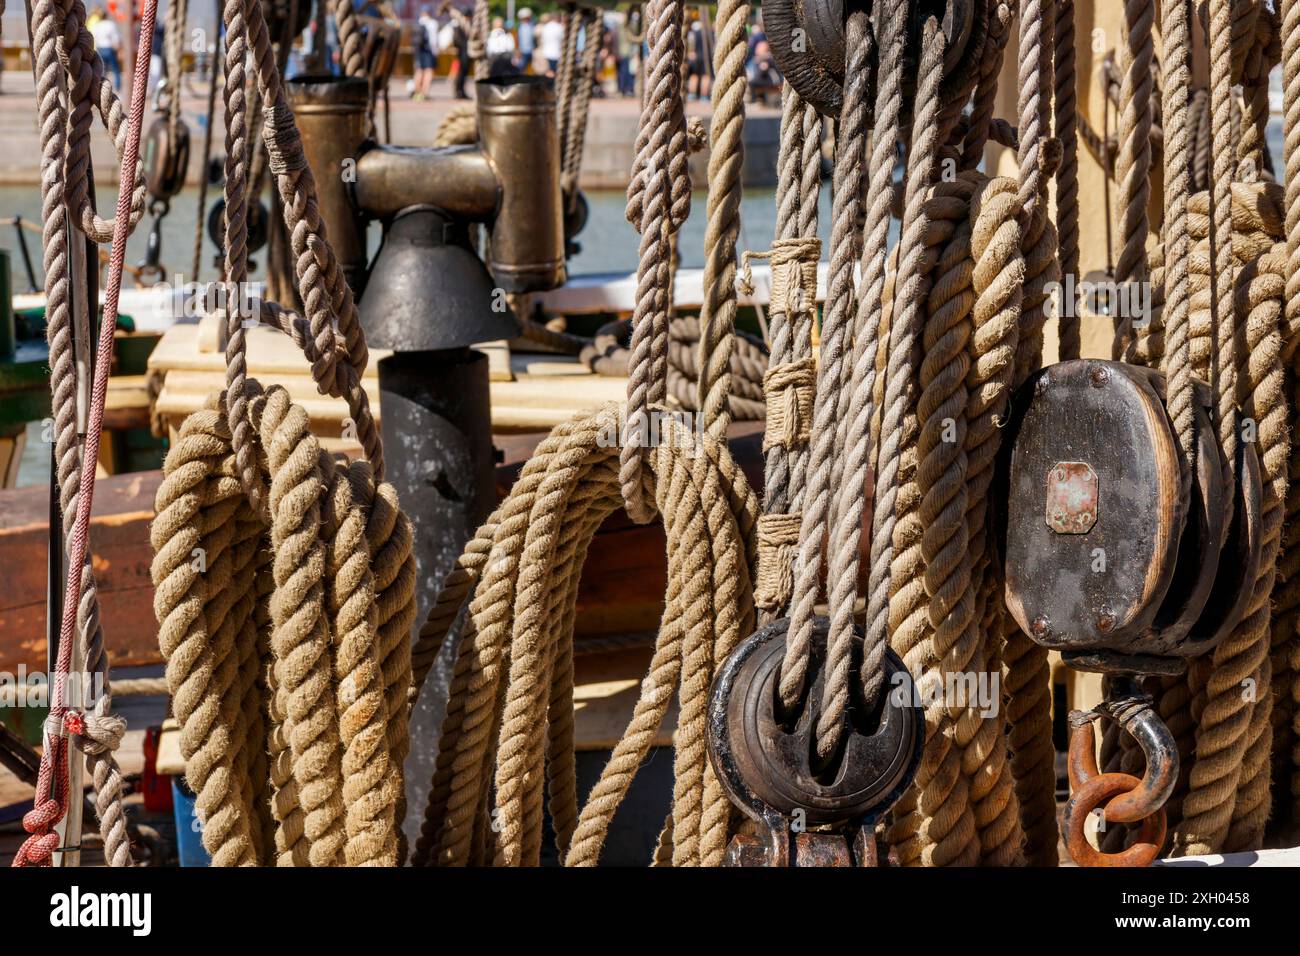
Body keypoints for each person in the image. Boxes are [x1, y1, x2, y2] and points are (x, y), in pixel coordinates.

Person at [90, 6, 122, 90]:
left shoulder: (97, 25)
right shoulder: (111, 25)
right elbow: (116, 39)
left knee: (102, 70)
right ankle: (118, 87)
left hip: (100, 49)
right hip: (110, 49)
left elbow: (94, 37)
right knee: (116, 69)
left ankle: (102, 86)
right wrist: (119, 50)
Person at [413, 7, 438, 98]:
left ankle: (416, 92)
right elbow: (433, 40)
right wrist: (435, 52)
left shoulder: (417, 23)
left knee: (419, 70)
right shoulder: (432, 23)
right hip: (429, 50)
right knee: (429, 71)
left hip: (418, 51)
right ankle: (424, 93)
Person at [686, 18, 710, 100]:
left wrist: (691, 52)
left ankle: (692, 95)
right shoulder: (707, 33)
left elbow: (690, 43)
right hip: (706, 57)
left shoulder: (693, 33)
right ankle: (704, 96)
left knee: (694, 76)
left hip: (695, 56)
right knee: (705, 76)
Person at [538, 11, 565, 77]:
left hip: (545, 52)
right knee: (554, 72)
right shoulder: (559, 27)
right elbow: (564, 39)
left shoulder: (545, 27)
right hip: (556, 53)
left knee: (548, 71)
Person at [516, 7, 536, 73]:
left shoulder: (532, 26)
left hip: (531, 50)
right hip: (523, 51)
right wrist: (518, 51)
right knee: (521, 69)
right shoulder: (519, 27)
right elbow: (517, 40)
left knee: (531, 69)